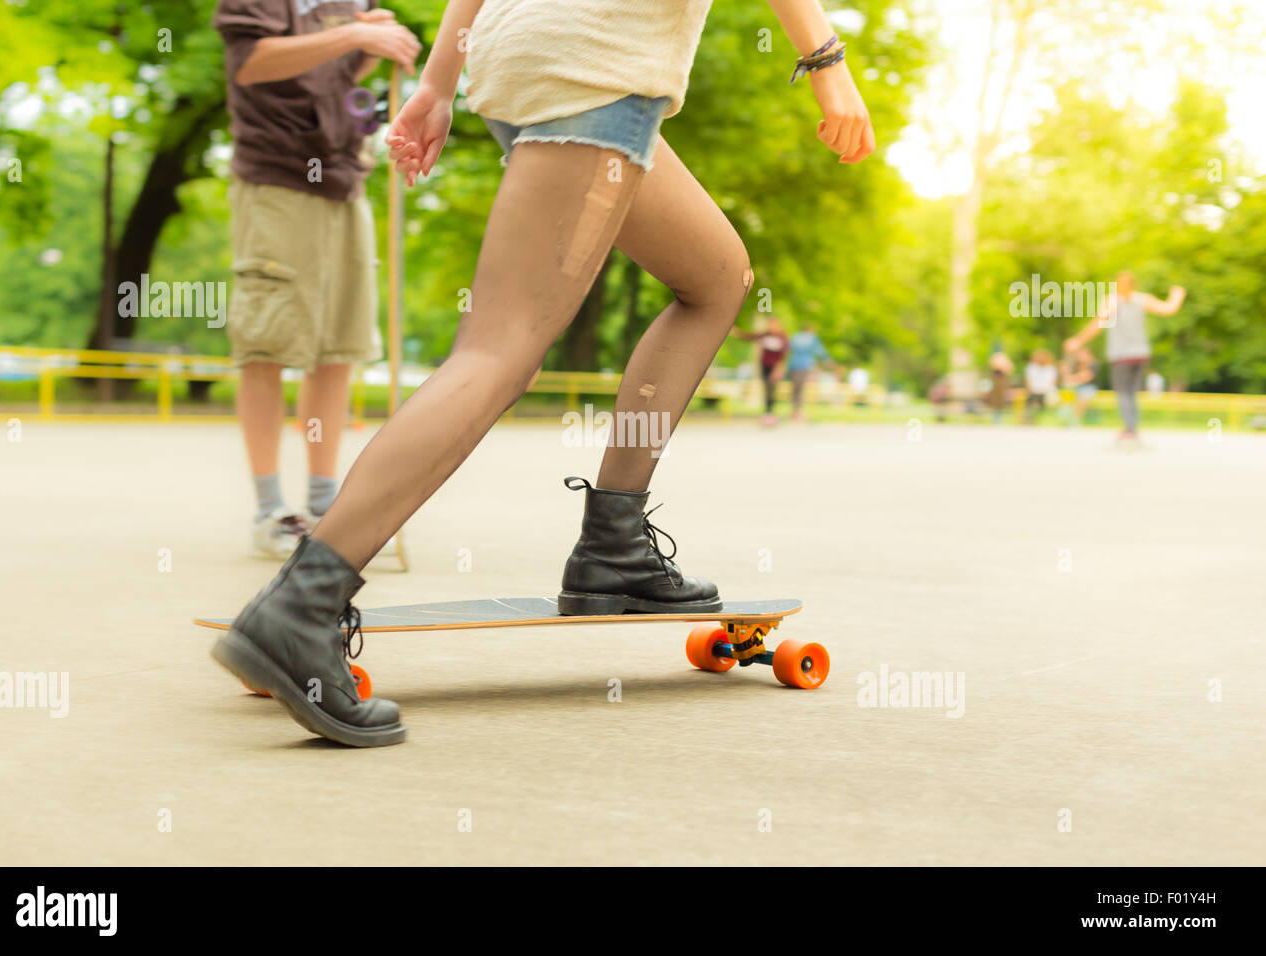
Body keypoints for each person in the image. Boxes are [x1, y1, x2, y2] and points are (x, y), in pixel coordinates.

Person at [209, 0, 876, 747]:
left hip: (524, 54)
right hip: (596, 66)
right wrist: (826, 64)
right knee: (500, 349)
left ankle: (613, 546)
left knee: (716, 278)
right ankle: (302, 607)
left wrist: (436, 83)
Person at [214, 1, 422, 558]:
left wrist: (365, 48)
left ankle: (324, 505)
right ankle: (271, 511)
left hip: (345, 178)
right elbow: (251, 64)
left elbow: (331, 79)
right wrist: (353, 33)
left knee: (338, 347)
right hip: (276, 179)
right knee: (268, 344)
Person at [1066, 270, 1185, 444]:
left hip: (1121, 355)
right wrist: (1177, 296)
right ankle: (1131, 427)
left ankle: (1129, 429)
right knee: (1132, 393)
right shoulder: (1142, 299)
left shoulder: (1113, 300)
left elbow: (1099, 323)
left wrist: (1078, 340)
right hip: (1141, 354)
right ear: (1134, 284)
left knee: (1123, 393)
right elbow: (1169, 308)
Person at [732, 316, 790, 425]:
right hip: (765, 366)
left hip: (775, 367)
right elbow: (750, 337)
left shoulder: (782, 338)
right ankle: (767, 413)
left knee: (771, 390)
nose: (771, 327)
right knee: (766, 389)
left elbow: (784, 355)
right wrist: (735, 331)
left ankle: (771, 413)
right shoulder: (765, 335)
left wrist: (779, 368)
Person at [785, 322, 833, 421]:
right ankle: (797, 412)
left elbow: (787, 350)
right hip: (804, 365)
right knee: (800, 388)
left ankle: (795, 410)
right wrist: (827, 359)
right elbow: (819, 350)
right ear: (809, 329)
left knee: (796, 388)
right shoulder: (811, 338)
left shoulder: (794, 337)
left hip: (793, 365)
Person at [1060, 343, 1098, 426]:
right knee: (1067, 389)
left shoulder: (1093, 364)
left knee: (1082, 397)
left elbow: (1087, 377)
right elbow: (1066, 374)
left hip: (1088, 388)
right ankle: (1065, 411)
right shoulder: (1076, 363)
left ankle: (1075, 420)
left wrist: (1073, 379)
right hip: (1076, 387)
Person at [1022, 348, 1058, 424]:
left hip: (1047, 391)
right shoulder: (1031, 368)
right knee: (1030, 400)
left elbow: (1053, 383)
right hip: (1034, 391)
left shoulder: (1051, 368)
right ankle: (1028, 420)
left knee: (1051, 399)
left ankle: (1049, 419)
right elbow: (1028, 382)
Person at [987, 351, 1013, 424]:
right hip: (997, 383)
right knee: (996, 401)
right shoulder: (994, 370)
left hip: (1002, 382)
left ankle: (998, 419)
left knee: (1001, 401)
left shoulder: (1004, 360)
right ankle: (996, 419)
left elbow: (1009, 369)